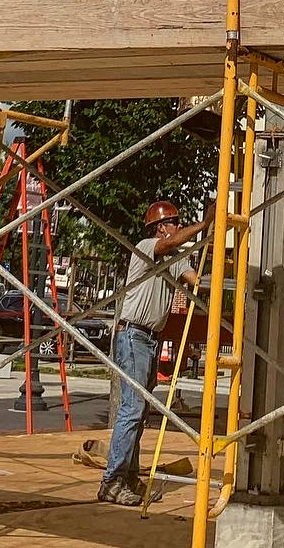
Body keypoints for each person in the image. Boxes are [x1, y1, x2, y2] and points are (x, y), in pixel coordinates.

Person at [98, 199, 211, 506]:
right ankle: (112, 481)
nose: (178, 227)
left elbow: (194, 279)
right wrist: (202, 226)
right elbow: (172, 244)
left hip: (148, 339)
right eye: (175, 223)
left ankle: (129, 475)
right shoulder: (146, 247)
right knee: (132, 410)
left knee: (140, 411)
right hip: (133, 335)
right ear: (161, 227)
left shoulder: (173, 257)